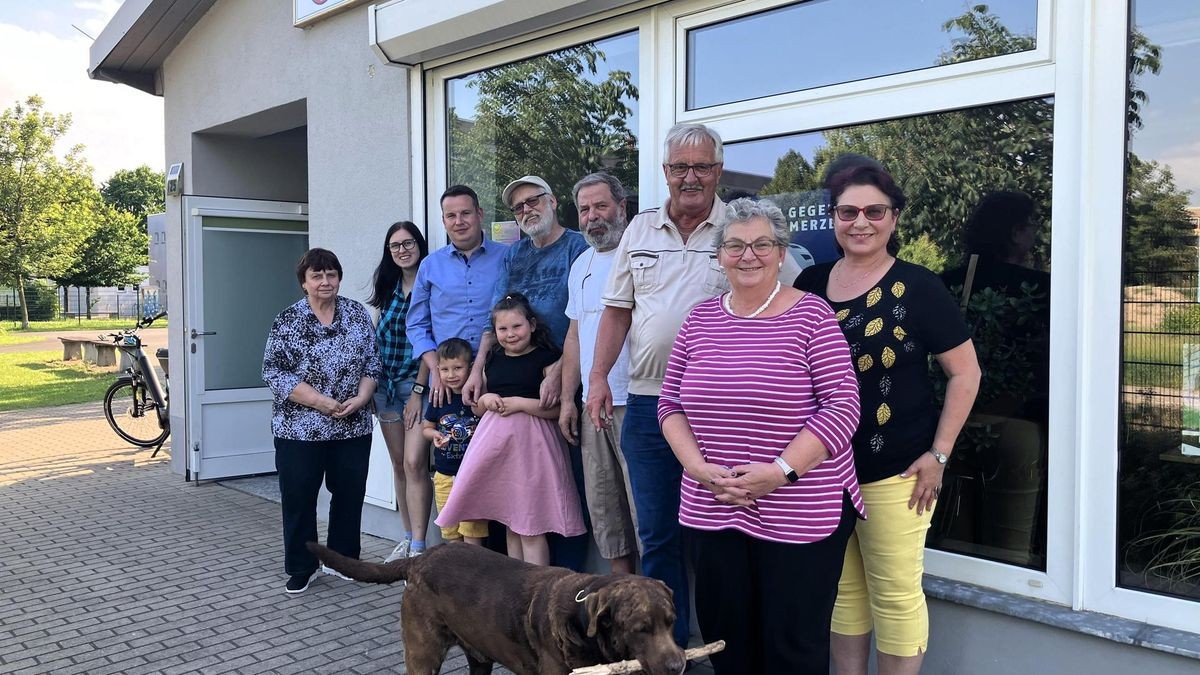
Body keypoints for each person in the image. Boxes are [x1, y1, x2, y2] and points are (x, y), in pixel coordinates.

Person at [588, 122, 802, 646]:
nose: (690, 177)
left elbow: (789, 295)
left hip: (720, 413)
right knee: (657, 537)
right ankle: (670, 651)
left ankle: (722, 643)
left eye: (701, 167)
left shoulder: (744, 227)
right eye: (680, 167)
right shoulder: (637, 230)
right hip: (646, 405)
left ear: (717, 172)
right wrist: (596, 378)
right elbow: (616, 314)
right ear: (665, 172)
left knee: (716, 537)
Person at [659, 198, 864, 674]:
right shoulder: (699, 319)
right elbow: (670, 406)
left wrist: (780, 472)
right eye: (735, 245)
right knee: (727, 642)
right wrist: (697, 468)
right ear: (719, 255)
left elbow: (843, 405)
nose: (748, 255)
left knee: (791, 647)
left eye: (761, 244)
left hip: (798, 508)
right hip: (714, 503)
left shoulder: (812, 316)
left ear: (780, 252)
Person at [793, 164, 981, 675]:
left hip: (896, 472)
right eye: (848, 211)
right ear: (833, 218)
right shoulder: (809, 283)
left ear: (893, 218)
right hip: (823, 472)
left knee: (896, 596)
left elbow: (965, 374)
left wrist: (939, 454)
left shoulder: (919, 287)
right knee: (844, 594)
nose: (861, 222)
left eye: (874, 211)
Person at [463, 174, 591, 570]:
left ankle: (568, 584)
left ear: (552, 201)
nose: (526, 211)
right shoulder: (515, 254)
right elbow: (494, 318)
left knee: (564, 490)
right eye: (518, 207)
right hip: (519, 382)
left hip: (567, 383)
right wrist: (477, 369)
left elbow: (587, 319)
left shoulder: (578, 248)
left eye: (533, 201)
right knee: (517, 497)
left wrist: (561, 371)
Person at [262, 248, 381, 594]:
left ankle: (345, 560)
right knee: (299, 499)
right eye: (317, 275)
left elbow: (373, 364)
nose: (325, 281)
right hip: (299, 430)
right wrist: (320, 402)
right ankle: (302, 566)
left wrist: (361, 398)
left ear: (339, 278)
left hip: (352, 426)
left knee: (348, 496)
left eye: (331, 274)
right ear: (304, 282)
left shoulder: (357, 314)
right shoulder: (287, 321)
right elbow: (273, 372)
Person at [436, 293, 586, 565]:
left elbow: (556, 409)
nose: (510, 334)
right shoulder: (492, 360)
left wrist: (519, 403)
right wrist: (485, 400)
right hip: (497, 452)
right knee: (510, 522)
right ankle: (515, 586)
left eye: (516, 326)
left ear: (531, 324)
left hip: (533, 450)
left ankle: (535, 587)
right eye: (502, 329)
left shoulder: (547, 359)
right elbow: (476, 408)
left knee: (530, 524)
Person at [558, 172, 639, 575]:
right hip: (594, 406)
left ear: (622, 207)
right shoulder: (581, 265)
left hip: (636, 402)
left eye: (601, 206)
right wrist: (569, 398)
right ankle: (622, 599)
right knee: (606, 510)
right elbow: (575, 335)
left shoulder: (642, 256)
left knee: (645, 513)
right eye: (585, 209)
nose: (592, 217)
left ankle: (656, 607)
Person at [407, 185, 509, 411]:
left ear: (479, 214)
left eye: (465, 213)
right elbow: (416, 324)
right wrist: (436, 370)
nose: (458, 221)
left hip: (498, 372)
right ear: (443, 221)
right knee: (449, 443)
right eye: (451, 216)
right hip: (447, 382)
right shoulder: (430, 266)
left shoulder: (506, 257)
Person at [367, 221, 432, 562]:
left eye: (408, 243)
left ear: (419, 245)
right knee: (397, 463)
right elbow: (378, 335)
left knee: (414, 461)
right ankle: (407, 540)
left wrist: (420, 390)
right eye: (395, 246)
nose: (402, 250)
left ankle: (420, 548)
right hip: (387, 389)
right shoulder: (388, 287)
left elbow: (428, 341)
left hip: (416, 386)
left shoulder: (431, 283)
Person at [421, 337, 487, 545]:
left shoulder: (478, 398)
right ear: (438, 370)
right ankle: (455, 576)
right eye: (445, 370)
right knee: (450, 534)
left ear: (470, 367)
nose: (451, 375)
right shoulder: (440, 398)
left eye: (457, 368)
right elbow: (426, 427)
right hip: (444, 476)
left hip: (473, 476)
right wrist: (434, 436)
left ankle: (473, 575)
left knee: (472, 532)